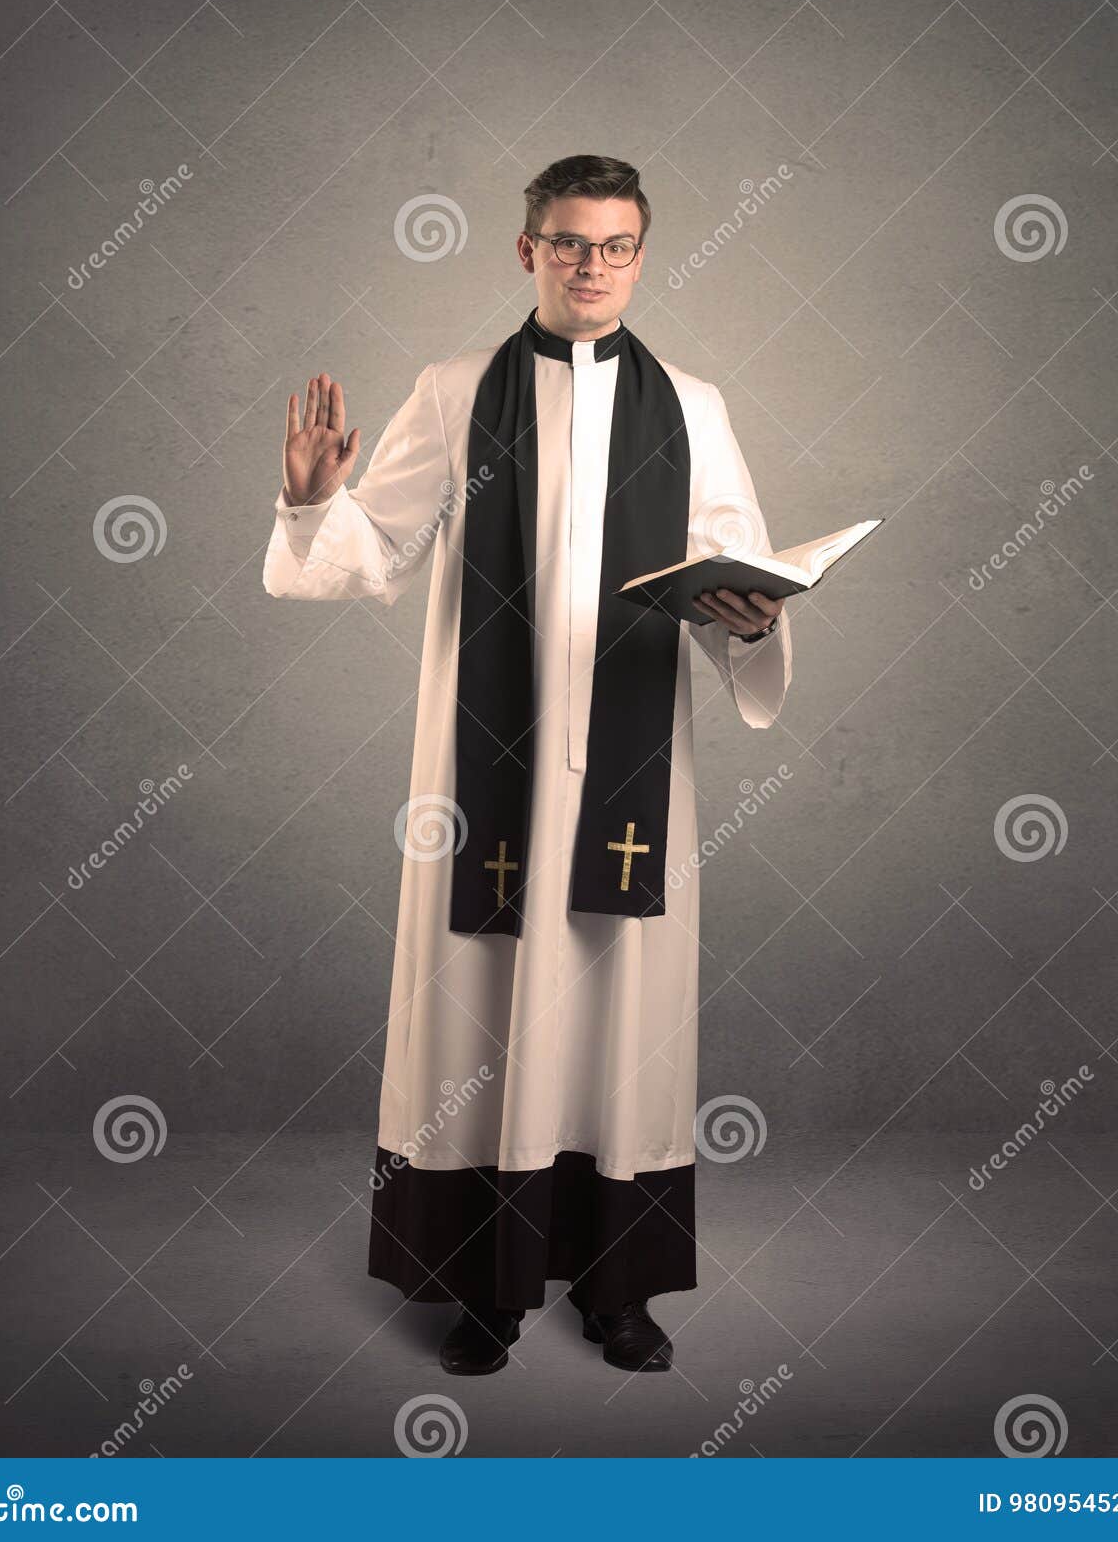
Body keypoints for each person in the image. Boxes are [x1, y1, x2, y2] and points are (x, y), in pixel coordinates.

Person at [263, 154, 792, 1375]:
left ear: (642, 256)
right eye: (566, 242)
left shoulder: (693, 406)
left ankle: (619, 1290)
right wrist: (309, 508)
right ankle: (482, 1287)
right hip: (481, 776)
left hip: (628, 776)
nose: (590, 265)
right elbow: (373, 550)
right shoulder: (456, 392)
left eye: (614, 245)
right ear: (527, 251)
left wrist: (752, 618)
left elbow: (735, 568)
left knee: (626, 1025)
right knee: (477, 1019)